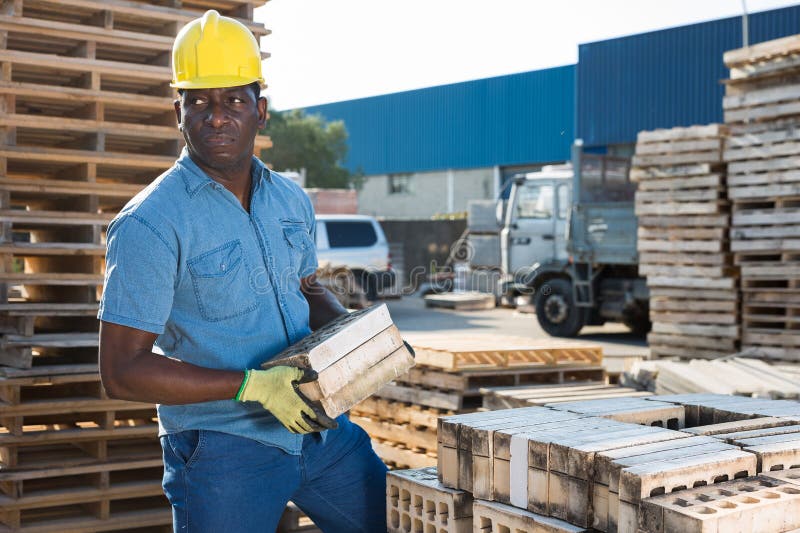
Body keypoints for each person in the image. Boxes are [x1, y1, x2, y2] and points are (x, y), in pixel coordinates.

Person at [97, 10, 387, 532]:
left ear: (262, 110)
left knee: (393, 522)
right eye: (199, 102)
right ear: (177, 112)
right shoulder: (150, 223)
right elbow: (121, 371)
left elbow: (304, 288)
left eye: (234, 100)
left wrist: (352, 336)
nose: (216, 116)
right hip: (223, 449)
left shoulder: (290, 200)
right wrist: (251, 385)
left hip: (317, 430)